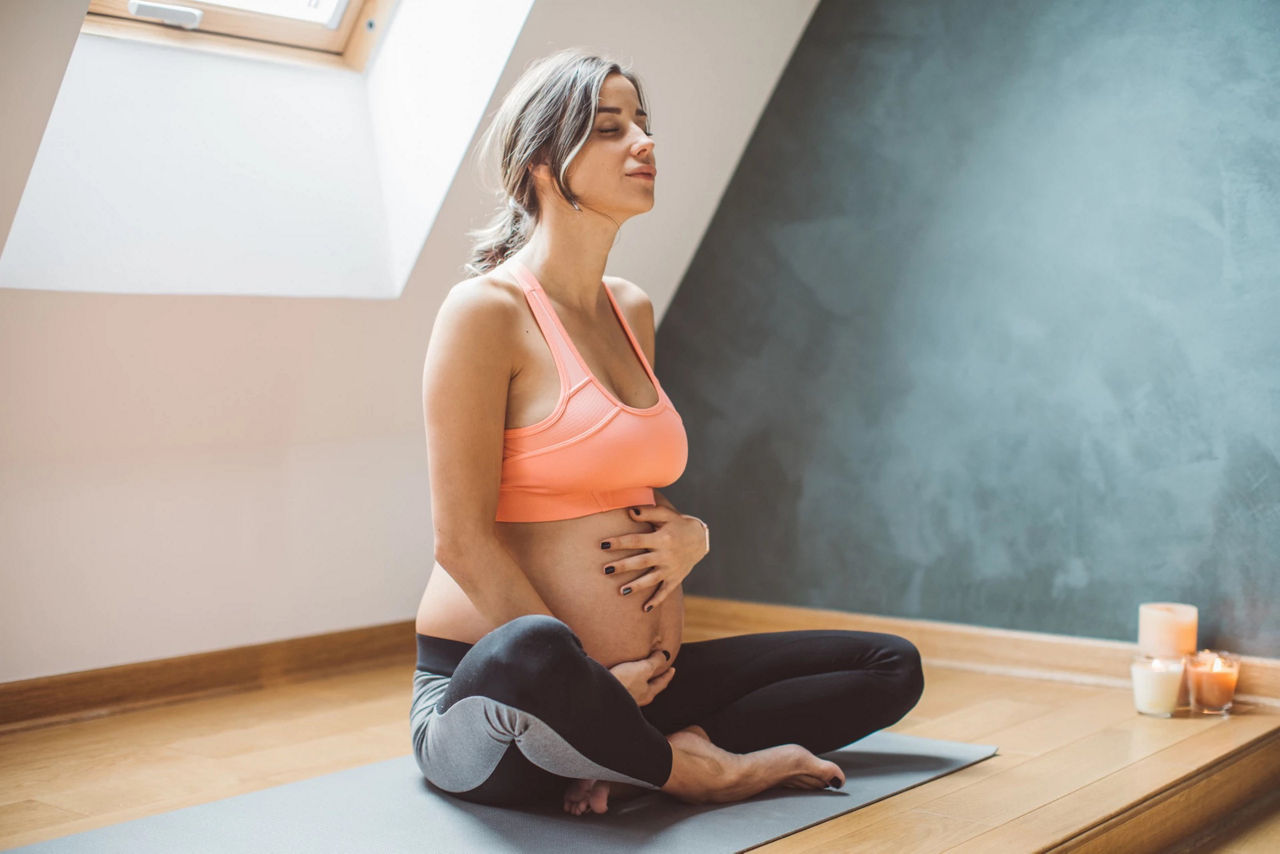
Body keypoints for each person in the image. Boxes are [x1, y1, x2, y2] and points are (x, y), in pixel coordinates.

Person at [411, 47, 924, 815]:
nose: (645, 145)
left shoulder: (631, 309)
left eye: (644, 125)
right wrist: (587, 682)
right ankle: (691, 769)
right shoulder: (485, 312)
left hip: (641, 685)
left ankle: (631, 753)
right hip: (502, 702)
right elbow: (460, 541)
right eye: (612, 128)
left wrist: (694, 537)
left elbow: (629, 478)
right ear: (547, 160)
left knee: (891, 665)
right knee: (533, 649)